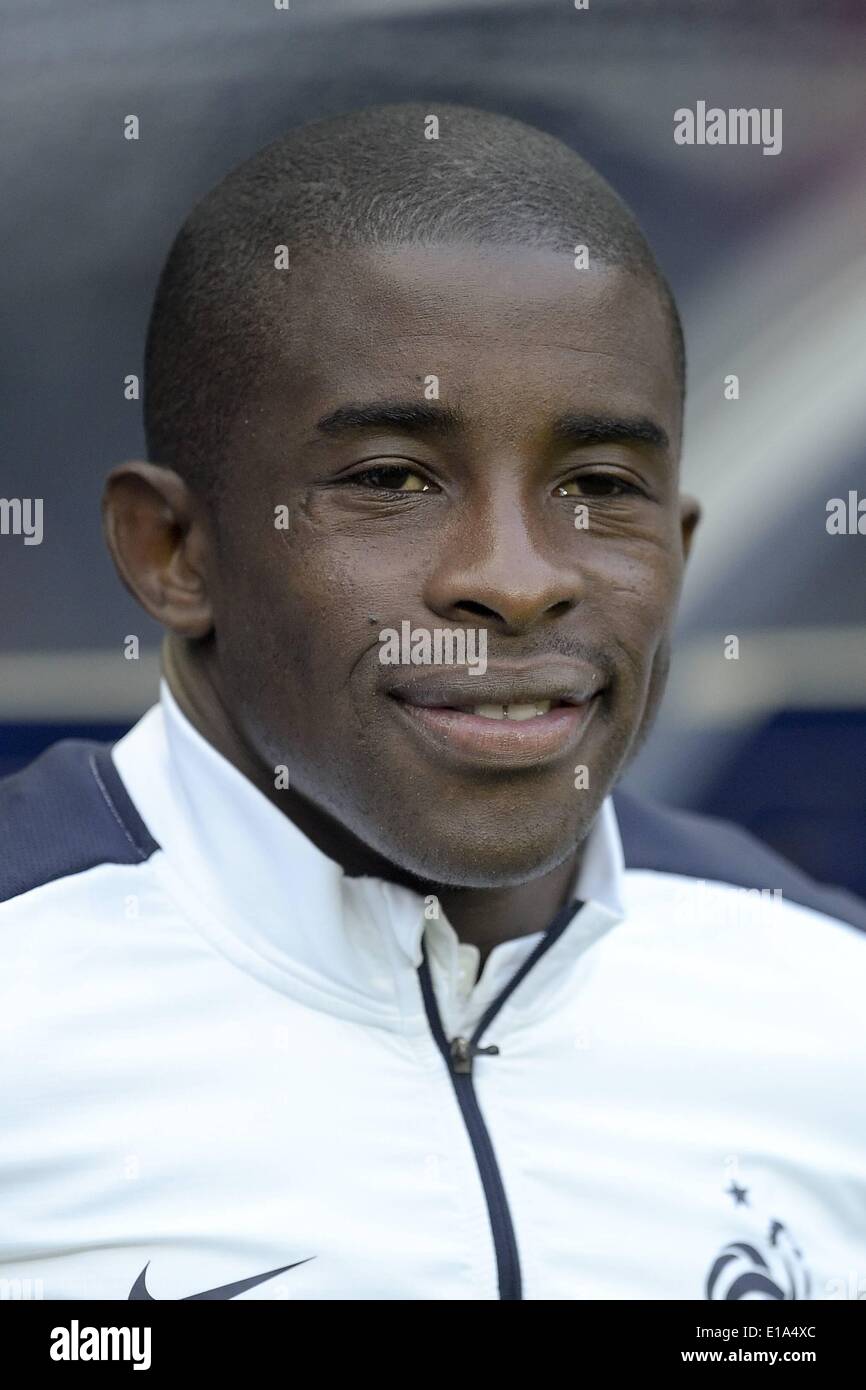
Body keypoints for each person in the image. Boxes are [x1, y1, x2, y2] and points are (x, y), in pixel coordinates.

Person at [1, 103, 864, 1302]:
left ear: (677, 546)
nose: (516, 580)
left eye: (599, 485)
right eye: (391, 479)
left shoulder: (827, 1003)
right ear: (173, 550)